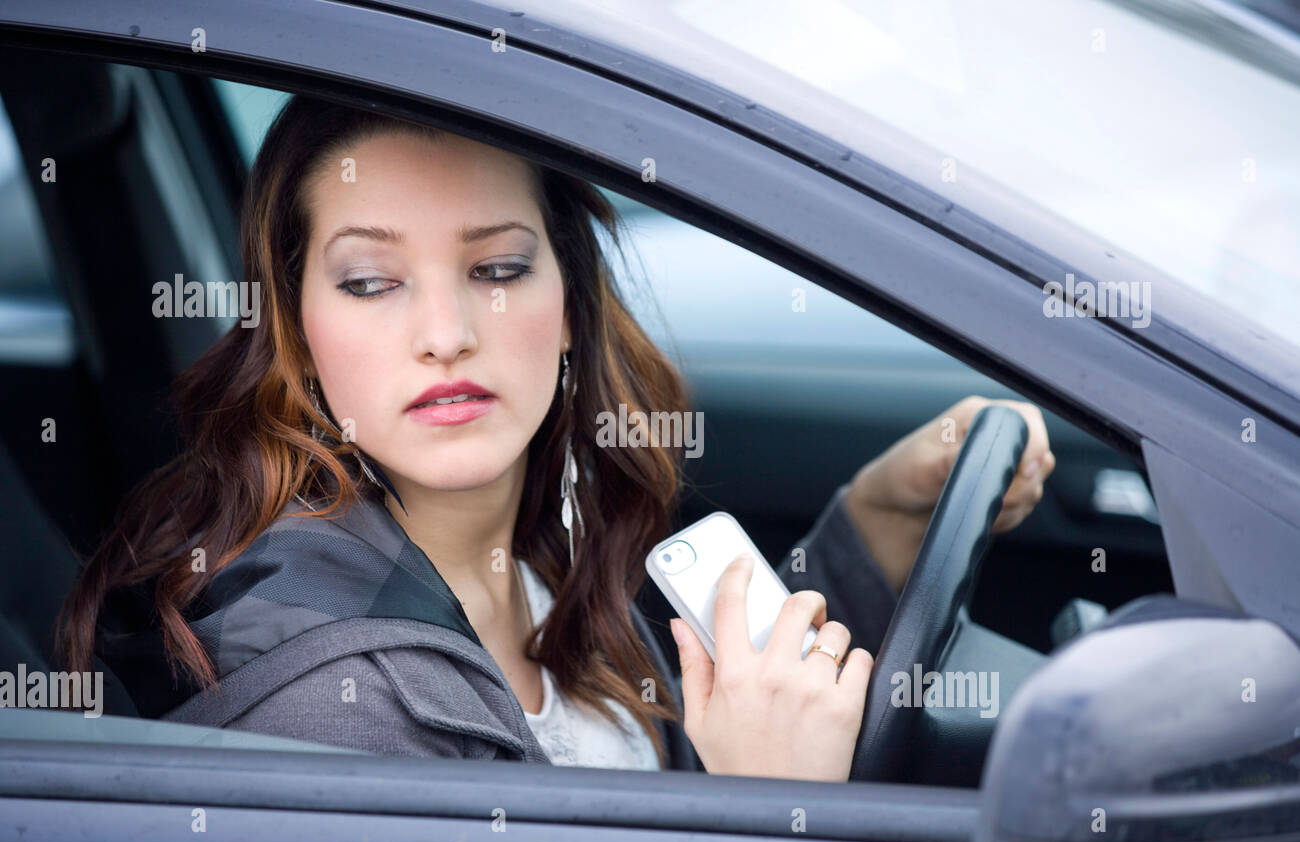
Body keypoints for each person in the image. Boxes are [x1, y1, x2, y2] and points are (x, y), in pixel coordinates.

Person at [54, 96, 1054, 782]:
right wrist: (775, 819)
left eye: (496, 268)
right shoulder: (337, 709)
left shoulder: (552, 546)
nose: (445, 332)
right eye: (370, 281)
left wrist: (873, 526)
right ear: (299, 333)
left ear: (570, 303)